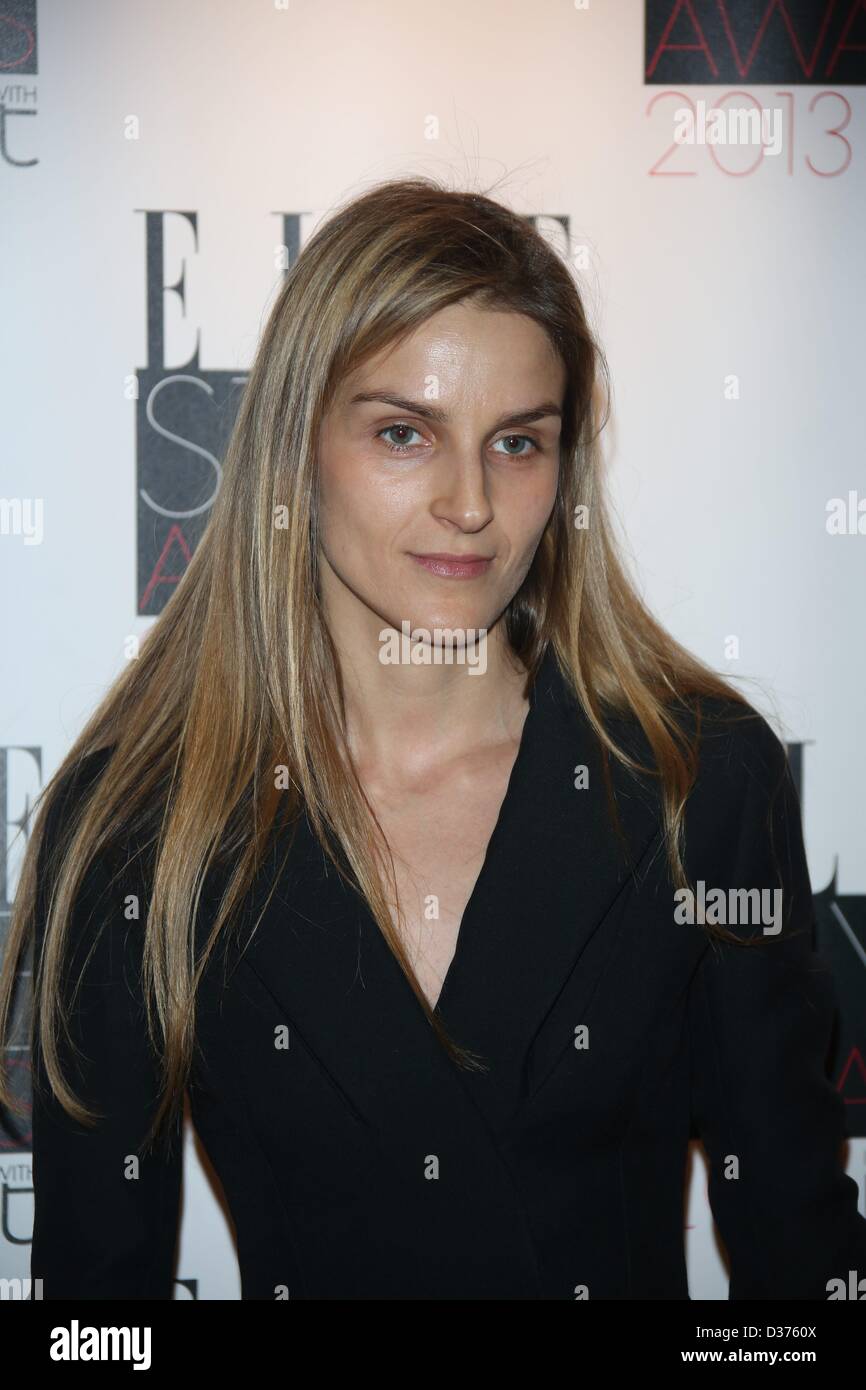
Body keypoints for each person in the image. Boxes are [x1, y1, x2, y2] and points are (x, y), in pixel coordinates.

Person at [1, 177, 864, 1300]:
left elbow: (797, 1261)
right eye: (403, 432)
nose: (468, 501)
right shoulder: (140, 831)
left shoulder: (695, 779)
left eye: (516, 442)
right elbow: (95, 1317)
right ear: (293, 449)